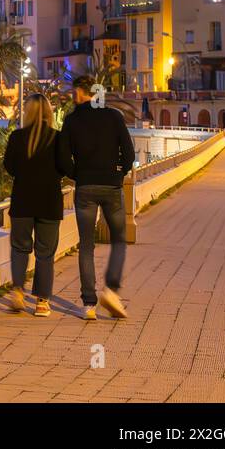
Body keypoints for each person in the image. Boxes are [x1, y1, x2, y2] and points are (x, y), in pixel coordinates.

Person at [59, 74, 135, 320]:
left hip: (86, 188)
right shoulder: (114, 116)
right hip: (112, 188)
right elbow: (129, 152)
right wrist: (119, 172)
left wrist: (77, 175)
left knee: (87, 245)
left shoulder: (71, 121)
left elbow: (63, 158)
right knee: (119, 240)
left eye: (75, 92)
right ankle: (111, 291)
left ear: (82, 93)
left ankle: (89, 304)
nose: (73, 96)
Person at [2, 93, 68, 317]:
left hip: (22, 200)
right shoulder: (57, 138)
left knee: (20, 248)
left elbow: (9, 166)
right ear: (49, 113)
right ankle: (41, 302)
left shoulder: (17, 137)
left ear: (27, 112)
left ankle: (18, 291)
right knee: (45, 253)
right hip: (49, 201)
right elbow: (65, 168)